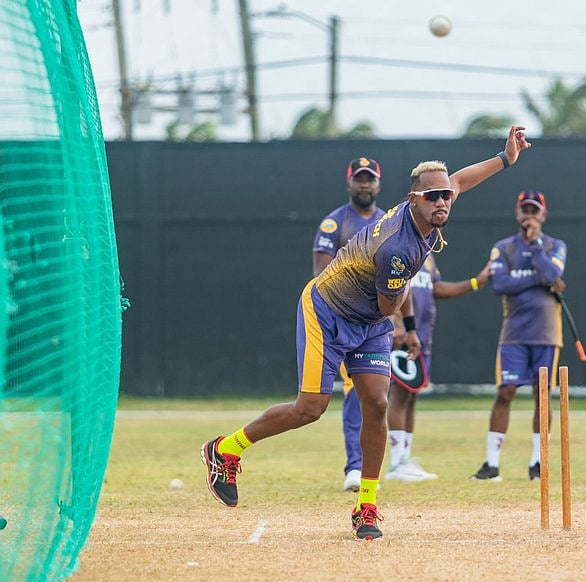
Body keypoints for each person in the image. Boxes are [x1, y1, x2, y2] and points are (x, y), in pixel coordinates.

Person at [202, 125, 532, 540]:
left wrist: (505, 158)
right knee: (311, 409)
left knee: (376, 404)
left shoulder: (431, 207)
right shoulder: (398, 249)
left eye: (445, 195)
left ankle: (367, 506)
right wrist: (401, 323)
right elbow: (388, 305)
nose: (444, 201)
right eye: (434, 196)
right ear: (416, 199)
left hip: (369, 321)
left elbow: (464, 178)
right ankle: (226, 449)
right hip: (327, 312)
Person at [471, 190, 567, 482]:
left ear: (543, 215)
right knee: (506, 391)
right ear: (517, 214)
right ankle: (491, 463)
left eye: (534, 211)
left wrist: (537, 248)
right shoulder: (503, 247)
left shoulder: (554, 245)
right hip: (514, 334)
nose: (529, 216)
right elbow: (499, 284)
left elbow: (552, 276)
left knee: (543, 395)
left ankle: (538, 463)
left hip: (546, 334)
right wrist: (536, 278)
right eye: (525, 210)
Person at [312, 157, 386, 493]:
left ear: (378, 184)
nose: (365, 184)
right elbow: (321, 276)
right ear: (349, 183)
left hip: (378, 323)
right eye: (359, 179)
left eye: (370, 179)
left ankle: (373, 467)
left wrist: (402, 321)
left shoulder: (389, 222)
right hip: (342, 321)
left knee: (377, 398)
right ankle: (354, 466)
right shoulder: (335, 223)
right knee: (349, 393)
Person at [385, 256, 491, 482]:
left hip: (421, 336)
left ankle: (405, 457)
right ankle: (396, 463)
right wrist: (394, 324)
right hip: (399, 336)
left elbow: (436, 288)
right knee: (399, 394)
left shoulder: (427, 255)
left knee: (411, 396)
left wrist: (475, 283)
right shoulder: (398, 246)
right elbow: (384, 286)